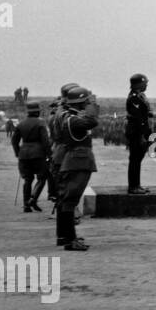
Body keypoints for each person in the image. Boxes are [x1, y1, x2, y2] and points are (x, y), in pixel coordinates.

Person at [56, 86, 99, 250]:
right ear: (81, 101)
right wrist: (92, 106)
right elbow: (93, 121)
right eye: (86, 100)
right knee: (70, 201)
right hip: (78, 161)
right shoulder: (73, 120)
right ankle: (70, 240)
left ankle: (66, 237)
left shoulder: (70, 117)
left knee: (68, 200)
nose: (89, 102)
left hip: (75, 160)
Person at [11, 101, 51, 213]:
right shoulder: (41, 123)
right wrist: (49, 155)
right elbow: (45, 141)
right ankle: (33, 199)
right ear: (37, 111)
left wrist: (18, 153)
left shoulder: (21, 124)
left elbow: (14, 141)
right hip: (38, 155)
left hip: (23, 155)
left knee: (27, 180)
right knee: (42, 178)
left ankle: (26, 205)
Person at [124, 73, 152, 194]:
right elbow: (138, 119)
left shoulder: (139, 96)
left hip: (139, 131)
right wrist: (142, 136)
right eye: (145, 83)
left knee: (137, 159)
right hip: (136, 132)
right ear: (139, 84)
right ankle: (133, 186)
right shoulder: (134, 98)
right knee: (135, 159)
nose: (146, 85)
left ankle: (137, 184)